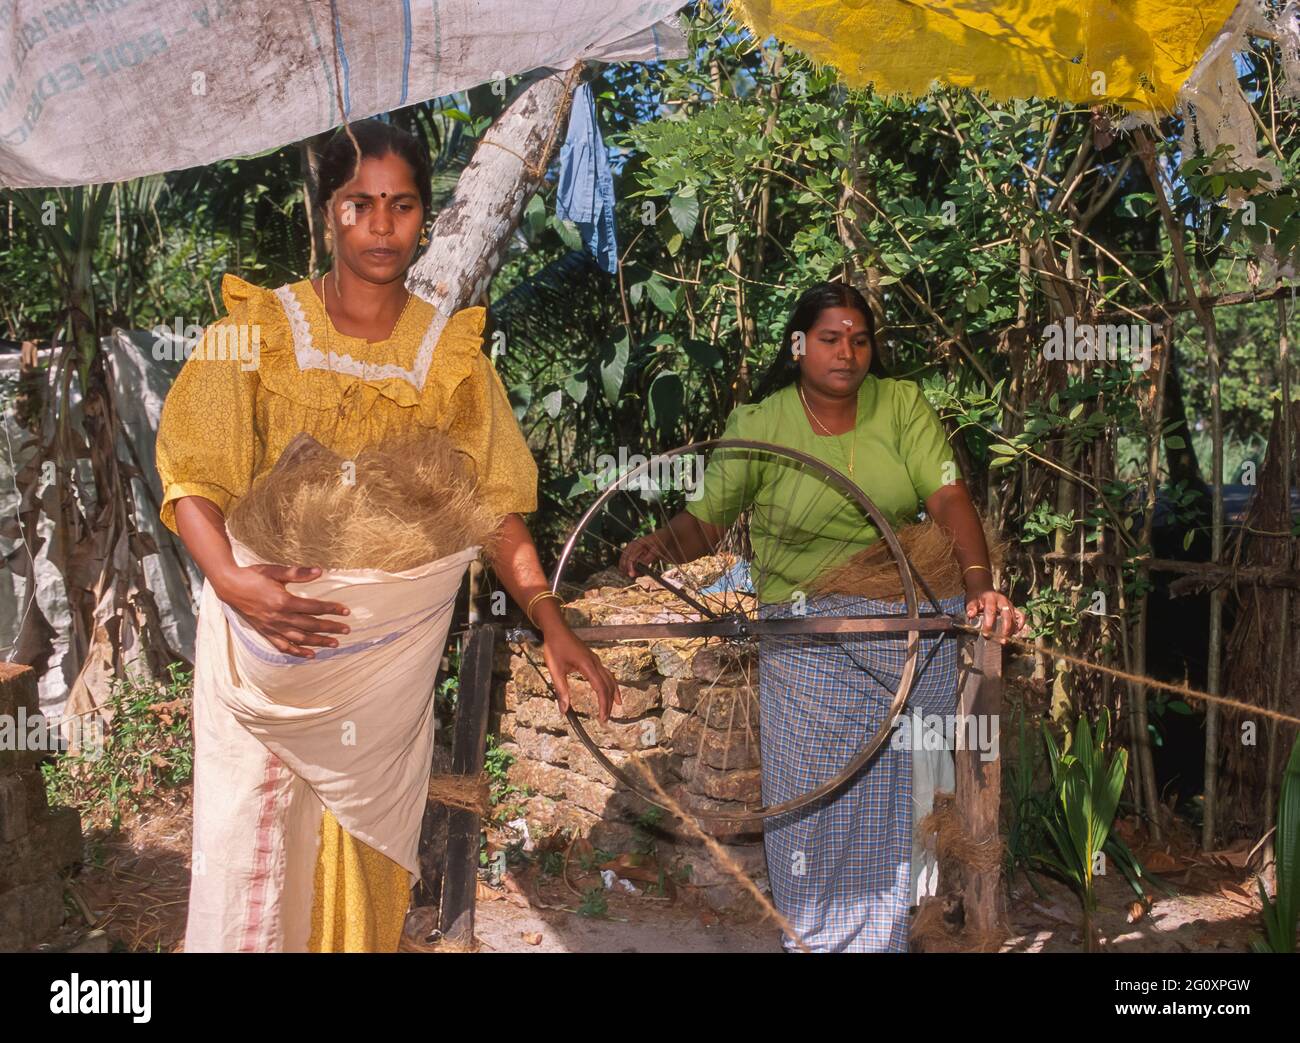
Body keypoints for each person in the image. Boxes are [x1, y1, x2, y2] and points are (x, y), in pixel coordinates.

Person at [156, 118, 618, 952]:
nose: (380, 225)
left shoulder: (452, 359)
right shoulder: (255, 330)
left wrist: (551, 619)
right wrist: (229, 579)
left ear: (424, 217)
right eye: (358, 204)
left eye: (401, 206)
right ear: (325, 211)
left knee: (361, 867)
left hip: (383, 684)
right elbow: (195, 478)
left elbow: (493, 506)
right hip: (261, 654)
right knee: (246, 859)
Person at [618, 282, 1024, 952]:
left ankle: (902, 929)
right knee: (815, 798)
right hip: (806, 637)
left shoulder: (901, 405)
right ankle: (822, 939)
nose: (848, 352)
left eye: (860, 339)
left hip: (907, 629)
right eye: (831, 338)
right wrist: (662, 545)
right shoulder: (761, 422)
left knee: (913, 790)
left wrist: (980, 586)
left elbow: (949, 497)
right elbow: (705, 521)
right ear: (799, 345)